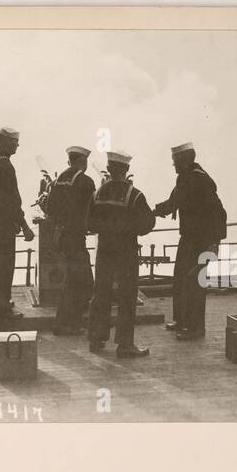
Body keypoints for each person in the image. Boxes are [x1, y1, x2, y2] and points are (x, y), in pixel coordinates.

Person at [154, 143, 224, 340]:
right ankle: (182, 320)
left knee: (194, 282)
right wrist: (156, 211)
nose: (173, 165)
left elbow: (217, 213)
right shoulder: (185, 178)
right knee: (180, 278)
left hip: (201, 240)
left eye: (176, 161)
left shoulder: (198, 180)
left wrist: (214, 243)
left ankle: (195, 328)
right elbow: (174, 201)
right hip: (189, 238)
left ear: (185, 160)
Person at [88, 151, 155, 357]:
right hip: (125, 252)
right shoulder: (134, 195)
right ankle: (125, 345)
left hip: (105, 251)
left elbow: (89, 223)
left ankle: (97, 338)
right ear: (126, 170)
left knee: (101, 293)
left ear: (108, 169)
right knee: (127, 296)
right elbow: (147, 224)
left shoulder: (98, 194)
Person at [0, 127, 36, 319]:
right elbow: (12, 201)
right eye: (14, 141)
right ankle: (2, 309)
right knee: (5, 264)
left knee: (0, 262)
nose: (17, 144)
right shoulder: (5, 166)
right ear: (5, 141)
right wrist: (25, 227)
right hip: (3, 218)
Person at [47, 145, 97, 334]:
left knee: (77, 278)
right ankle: (65, 324)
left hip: (61, 236)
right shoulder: (85, 181)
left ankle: (71, 322)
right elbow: (93, 209)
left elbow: (50, 208)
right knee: (80, 280)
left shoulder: (59, 180)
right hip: (75, 238)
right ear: (82, 162)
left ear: (69, 161)